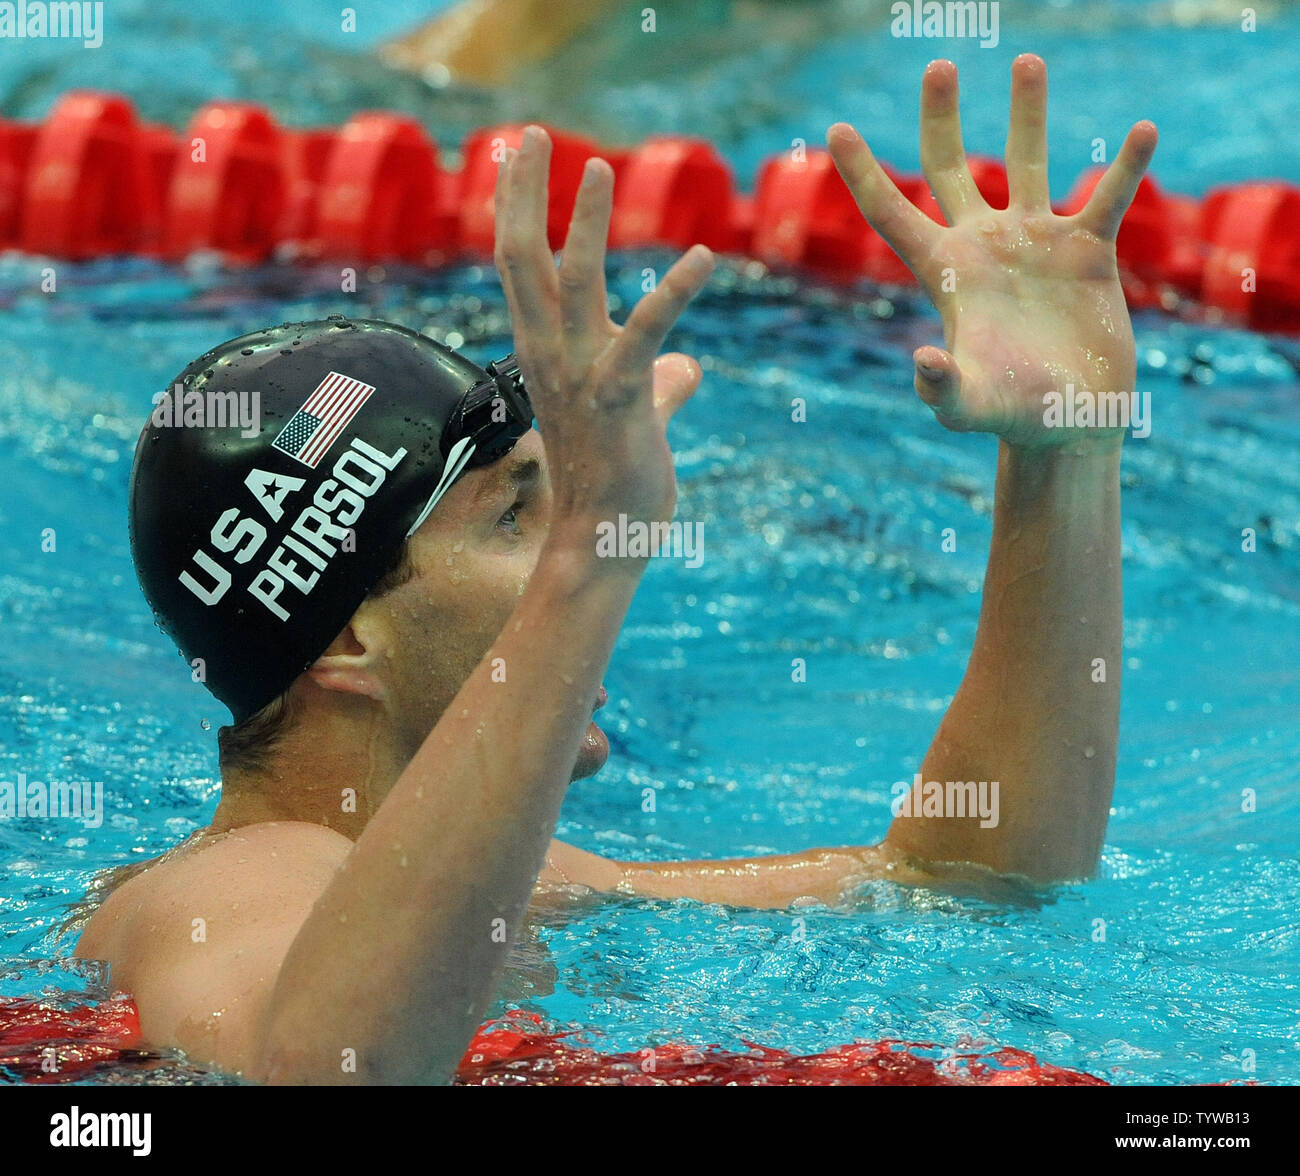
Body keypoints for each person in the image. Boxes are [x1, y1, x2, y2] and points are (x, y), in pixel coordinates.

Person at [75, 55, 1157, 1085]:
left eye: (570, 503)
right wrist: (592, 552)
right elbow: (320, 1070)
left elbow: (969, 882)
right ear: (349, 637)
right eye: (517, 518)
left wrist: (1064, 457)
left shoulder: (524, 883)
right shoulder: (233, 884)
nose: (581, 541)